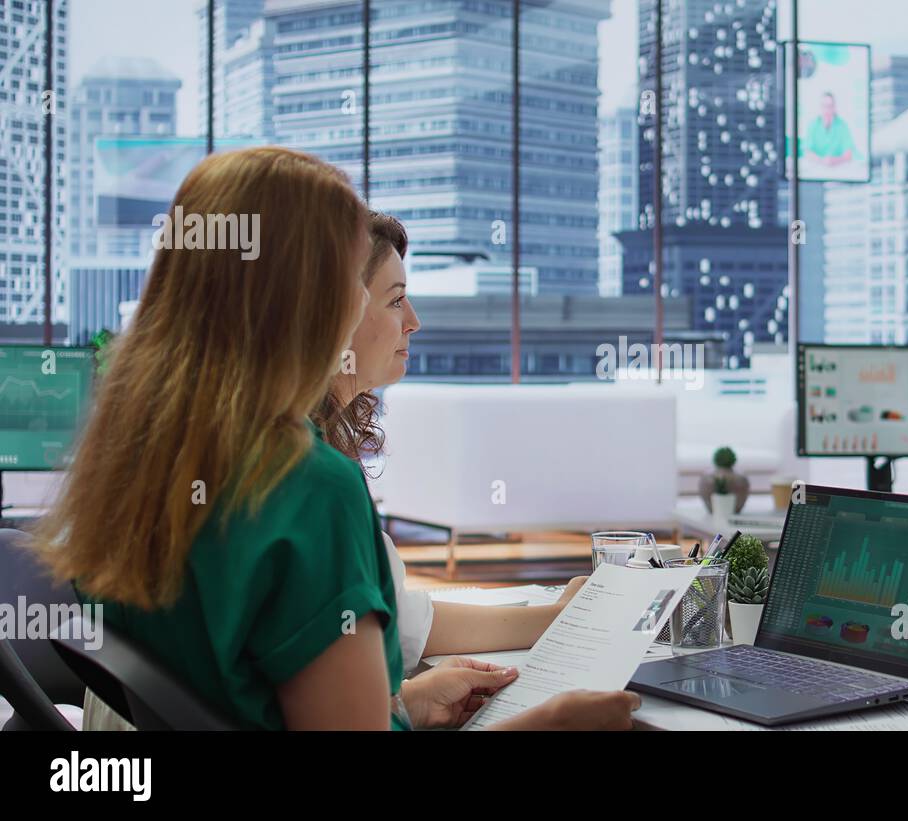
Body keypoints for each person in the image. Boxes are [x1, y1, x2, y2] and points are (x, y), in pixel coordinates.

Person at [35, 146, 639, 730]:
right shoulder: (308, 486)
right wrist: (547, 725)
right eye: (348, 277)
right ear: (299, 299)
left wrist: (401, 707)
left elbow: (244, 693)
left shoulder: (136, 463)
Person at [310, 211, 588, 674]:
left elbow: (391, 619)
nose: (414, 321)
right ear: (338, 315)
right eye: (396, 301)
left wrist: (555, 618)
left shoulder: (304, 450)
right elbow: (379, 636)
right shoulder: (315, 476)